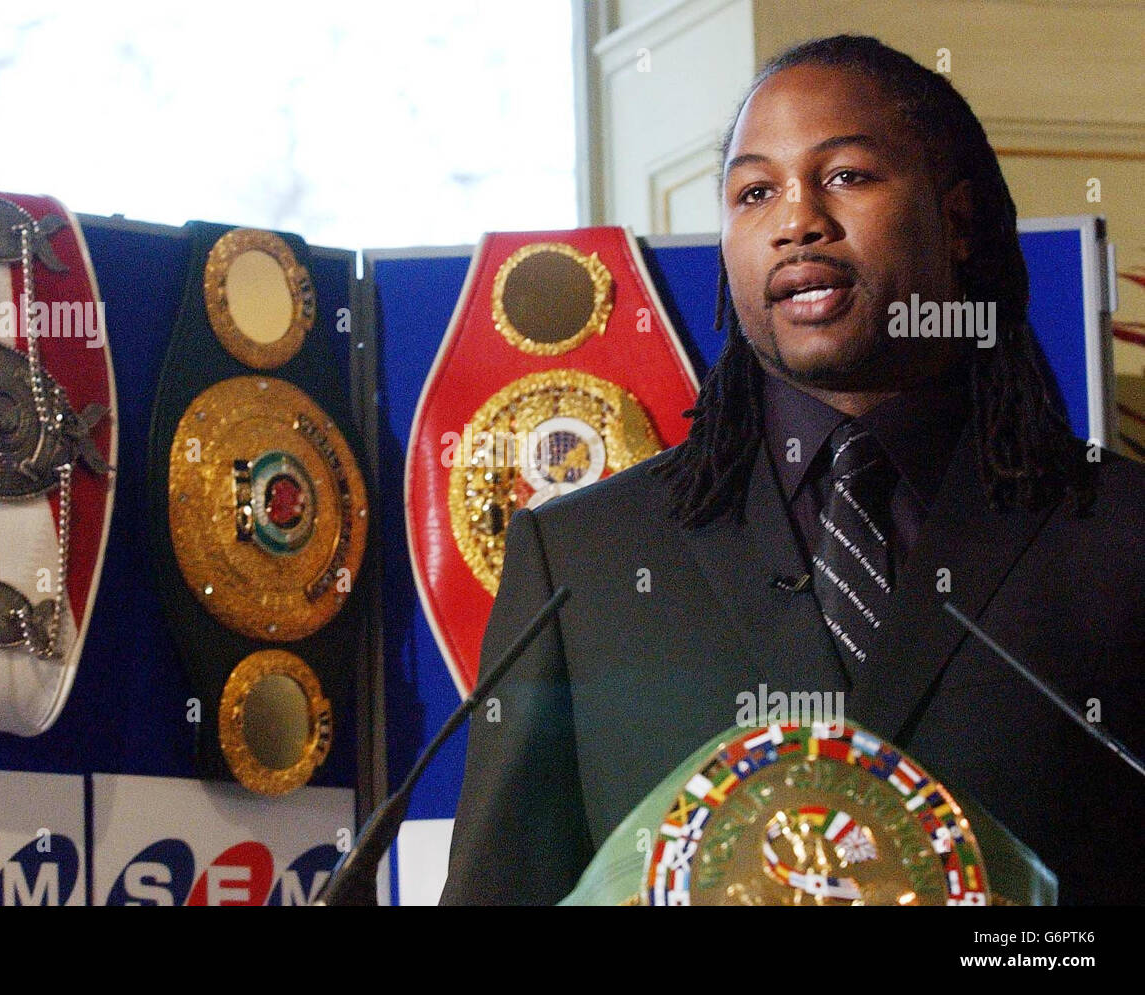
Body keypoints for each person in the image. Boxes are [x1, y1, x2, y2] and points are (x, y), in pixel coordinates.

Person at [439, 34, 1145, 906]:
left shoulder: (1118, 533)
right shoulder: (581, 558)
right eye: (755, 191)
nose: (796, 218)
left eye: (846, 175)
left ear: (957, 221)